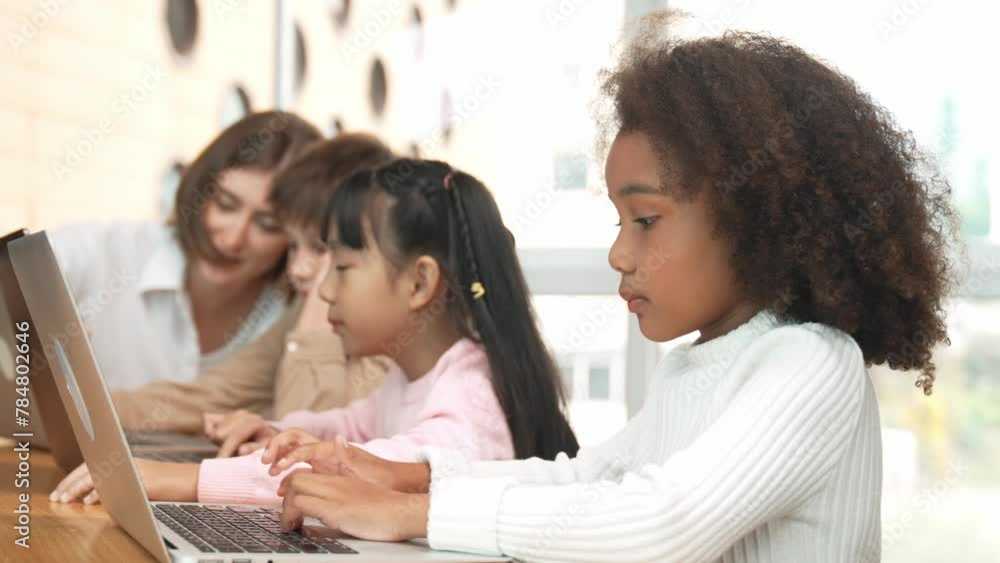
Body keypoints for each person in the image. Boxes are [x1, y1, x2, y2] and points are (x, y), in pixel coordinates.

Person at [259, 13, 959, 562]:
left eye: (646, 220)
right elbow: (581, 482)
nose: (619, 252)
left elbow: (663, 521)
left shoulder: (812, 363)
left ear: (751, 218)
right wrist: (400, 477)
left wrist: (412, 513)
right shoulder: (695, 364)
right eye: (620, 220)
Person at [51, 158, 580, 506]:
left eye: (343, 267)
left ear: (419, 282)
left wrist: (181, 481)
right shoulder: (415, 375)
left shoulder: (470, 394)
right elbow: (350, 428)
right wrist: (280, 432)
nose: (324, 291)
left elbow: (356, 473)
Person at [108, 133, 397, 445]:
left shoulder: (394, 338)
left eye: (319, 248)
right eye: (293, 246)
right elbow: (213, 395)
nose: (296, 268)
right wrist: (88, 412)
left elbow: (309, 458)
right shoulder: (304, 313)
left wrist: (318, 309)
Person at [49, 111, 322, 390]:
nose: (233, 239)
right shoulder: (107, 251)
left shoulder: (301, 313)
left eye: (267, 224)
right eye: (225, 204)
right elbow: (19, 266)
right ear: (198, 189)